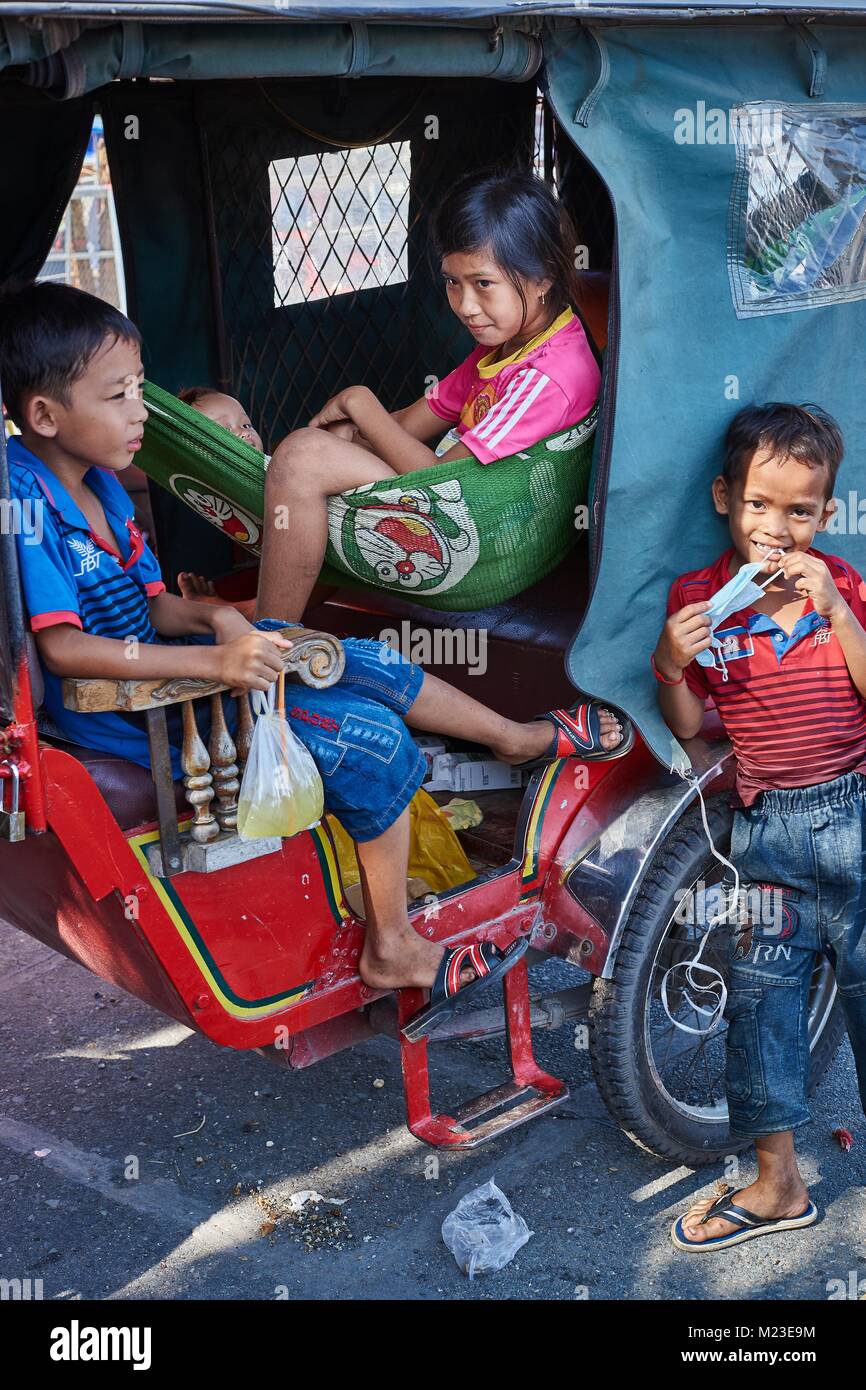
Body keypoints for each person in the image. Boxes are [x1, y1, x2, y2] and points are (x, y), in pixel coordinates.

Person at [0, 280, 628, 1036]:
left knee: (361, 661)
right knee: (369, 742)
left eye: (141, 389)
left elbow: (157, 604)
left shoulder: (98, 481)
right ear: (44, 415)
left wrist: (222, 622)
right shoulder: (26, 499)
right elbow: (63, 650)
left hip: (184, 666)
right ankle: (392, 947)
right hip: (137, 711)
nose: (141, 411)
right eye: (119, 396)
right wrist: (216, 665)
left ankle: (514, 740)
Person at [653, 402, 866, 1251]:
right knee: (761, 1006)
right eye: (758, 507)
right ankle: (779, 1182)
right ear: (722, 499)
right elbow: (690, 726)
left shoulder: (843, 586)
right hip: (767, 830)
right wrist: (671, 660)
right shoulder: (701, 599)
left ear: (825, 515)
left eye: (800, 512)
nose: (776, 531)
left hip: (855, 808)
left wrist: (842, 617)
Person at [256, 170, 602, 622]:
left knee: (301, 459)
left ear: (544, 278)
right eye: (453, 282)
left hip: (473, 538)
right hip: (452, 501)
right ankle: (276, 612)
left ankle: (267, 644)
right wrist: (351, 433)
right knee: (317, 447)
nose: (464, 305)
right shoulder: (506, 347)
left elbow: (444, 481)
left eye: (483, 283)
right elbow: (410, 425)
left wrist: (360, 403)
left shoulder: (544, 377)